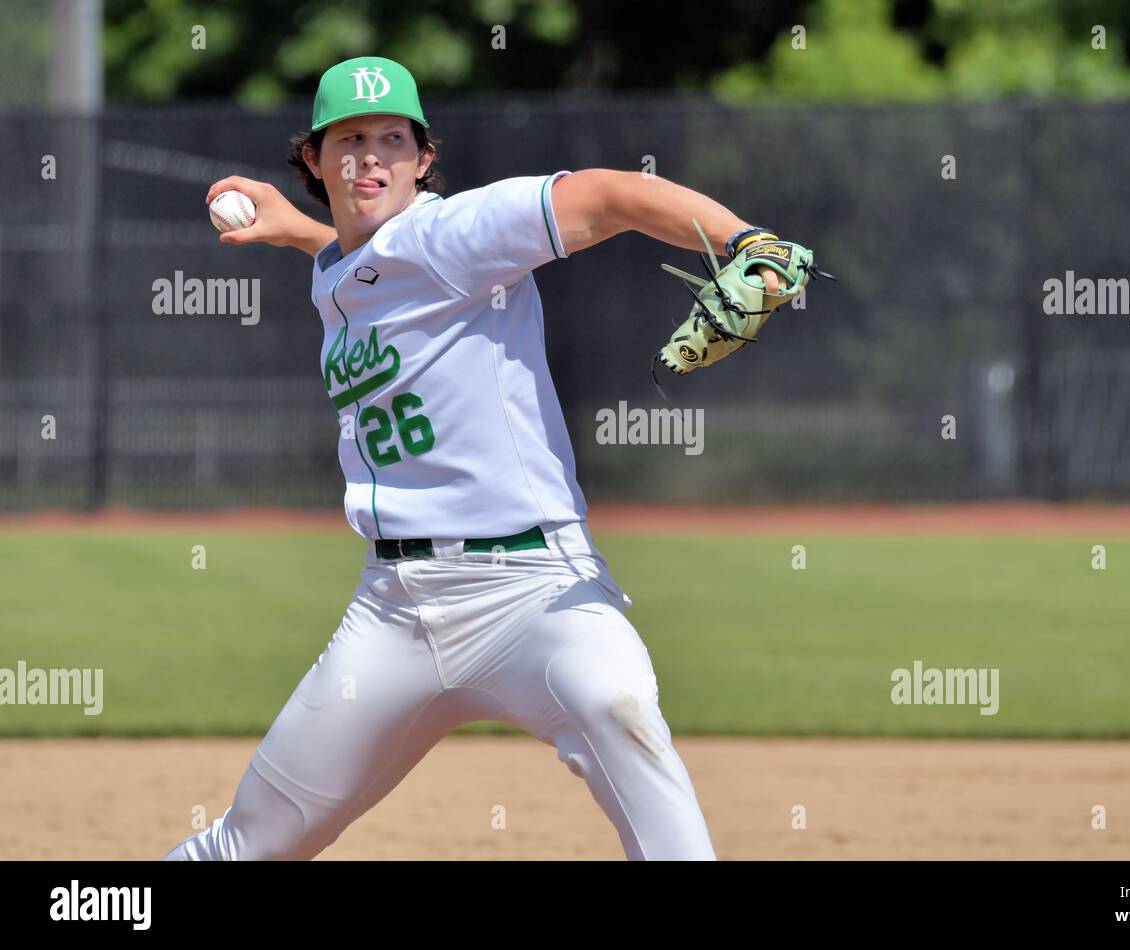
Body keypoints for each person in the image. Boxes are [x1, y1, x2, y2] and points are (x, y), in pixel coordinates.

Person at [166, 55, 788, 861]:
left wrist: (747, 242)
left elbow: (607, 195)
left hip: (533, 593)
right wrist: (295, 230)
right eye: (347, 140)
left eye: (392, 138)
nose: (369, 157)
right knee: (245, 846)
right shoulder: (346, 269)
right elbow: (373, 269)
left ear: (424, 161)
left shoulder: (452, 231)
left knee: (616, 705)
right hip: (395, 611)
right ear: (313, 161)